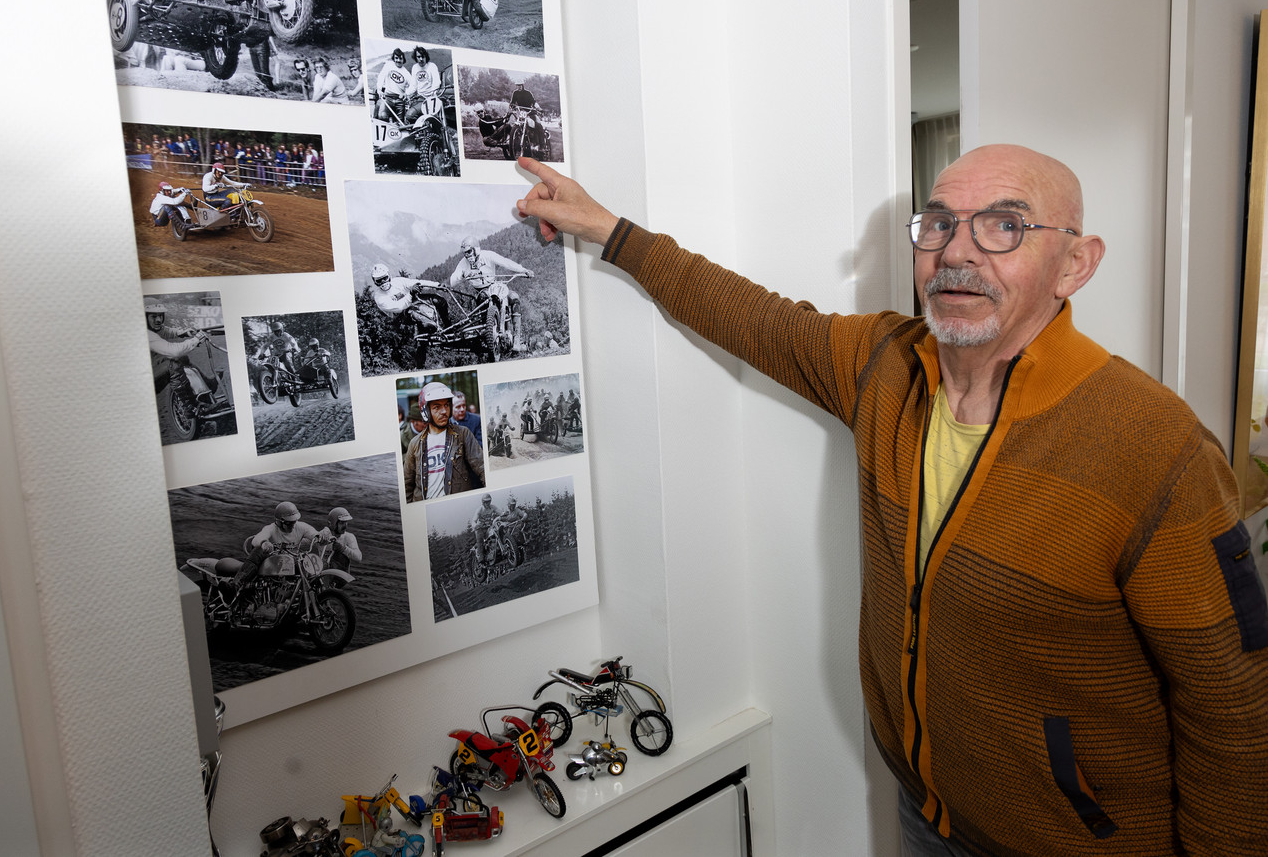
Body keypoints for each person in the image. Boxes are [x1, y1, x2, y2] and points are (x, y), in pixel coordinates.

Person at [514, 149, 1268, 856]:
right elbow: (753, 318)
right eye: (938, 224)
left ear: (1074, 263)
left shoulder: (1153, 447)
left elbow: (1235, 708)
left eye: (1003, 225)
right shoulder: (885, 365)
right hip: (927, 812)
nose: (957, 253)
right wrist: (609, 232)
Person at [403, 381, 484, 502]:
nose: (444, 411)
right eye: (437, 407)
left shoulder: (462, 434)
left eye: (446, 405)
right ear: (426, 411)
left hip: (458, 504)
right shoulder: (415, 444)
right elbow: (407, 485)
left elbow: (482, 467)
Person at [237, 501, 317, 593]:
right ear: (279, 521)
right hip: (274, 565)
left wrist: (322, 535)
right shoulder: (270, 529)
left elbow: (314, 534)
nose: (293, 525)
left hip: (293, 563)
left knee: (310, 576)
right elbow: (257, 538)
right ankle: (235, 586)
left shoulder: (301, 526)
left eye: (294, 521)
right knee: (258, 550)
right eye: (289, 523)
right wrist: (264, 543)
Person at [145, 299, 208, 402]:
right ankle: (189, 411)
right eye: (154, 316)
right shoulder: (147, 334)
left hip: (151, 370)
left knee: (182, 358)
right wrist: (196, 340)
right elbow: (174, 351)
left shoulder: (151, 327)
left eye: (160, 315)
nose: (158, 320)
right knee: (173, 365)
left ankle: (207, 386)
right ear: (144, 318)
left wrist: (182, 332)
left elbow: (165, 330)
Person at [447, 235, 533, 309]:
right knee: (483, 301)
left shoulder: (488, 255)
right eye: (464, 253)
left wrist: (524, 270)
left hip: (494, 286)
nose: (467, 256)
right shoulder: (463, 263)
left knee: (514, 298)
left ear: (476, 249)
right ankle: (488, 327)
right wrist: (448, 284)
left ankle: (516, 328)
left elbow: (505, 262)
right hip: (479, 291)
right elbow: (454, 278)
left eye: (469, 252)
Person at [368, 262, 449, 331]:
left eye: (385, 278)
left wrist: (437, 285)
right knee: (421, 317)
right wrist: (410, 293)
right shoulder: (379, 297)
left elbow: (418, 283)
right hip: (401, 315)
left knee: (439, 301)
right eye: (379, 280)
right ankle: (437, 332)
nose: (383, 282)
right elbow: (399, 307)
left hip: (412, 302)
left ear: (389, 276)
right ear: (375, 282)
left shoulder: (398, 281)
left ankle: (448, 326)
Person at [317, 506, 362, 573]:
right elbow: (307, 543)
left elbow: (358, 558)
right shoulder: (323, 535)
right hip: (321, 575)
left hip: (339, 577)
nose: (345, 526)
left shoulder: (349, 537)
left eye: (346, 522)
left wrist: (343, 548)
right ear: (332, 523)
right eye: (341, 523)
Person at [404, 46, 443, 123]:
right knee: (408, 116)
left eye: (423, 56)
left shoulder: (432, 66)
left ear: (426, 56)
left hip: (431, 99)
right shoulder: (415, 67)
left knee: (410, 115)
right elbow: (413, 86)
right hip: (420, 99)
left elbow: (437, 82)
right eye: (418, 57)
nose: (421, 59)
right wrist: (406, 94)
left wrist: (432, 95)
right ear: (416, 58)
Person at [375, 48, 413, 122]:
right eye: (396, 58)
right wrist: (379, 89)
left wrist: (406, 93)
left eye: (400, 58)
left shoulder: (406, 73)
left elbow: (413, 86)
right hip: (388, 98)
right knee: (382, 116)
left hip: (400, 100)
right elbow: (381, 76)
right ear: (394, 58)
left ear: (403, 59)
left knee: (400, 123)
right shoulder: (389, 65)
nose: (398, 60)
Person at [471, 492, 500, 558]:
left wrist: (504, 514)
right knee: (480, 539)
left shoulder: (492, 507)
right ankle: (481, 558)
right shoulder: (479, 509)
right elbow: (474, 520)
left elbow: (499, 512)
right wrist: (475, 525)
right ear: (483, 502)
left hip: (489, 527)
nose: (487, 503)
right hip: (480, 528)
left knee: (497, 532)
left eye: (489, 501)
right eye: (486, 502)